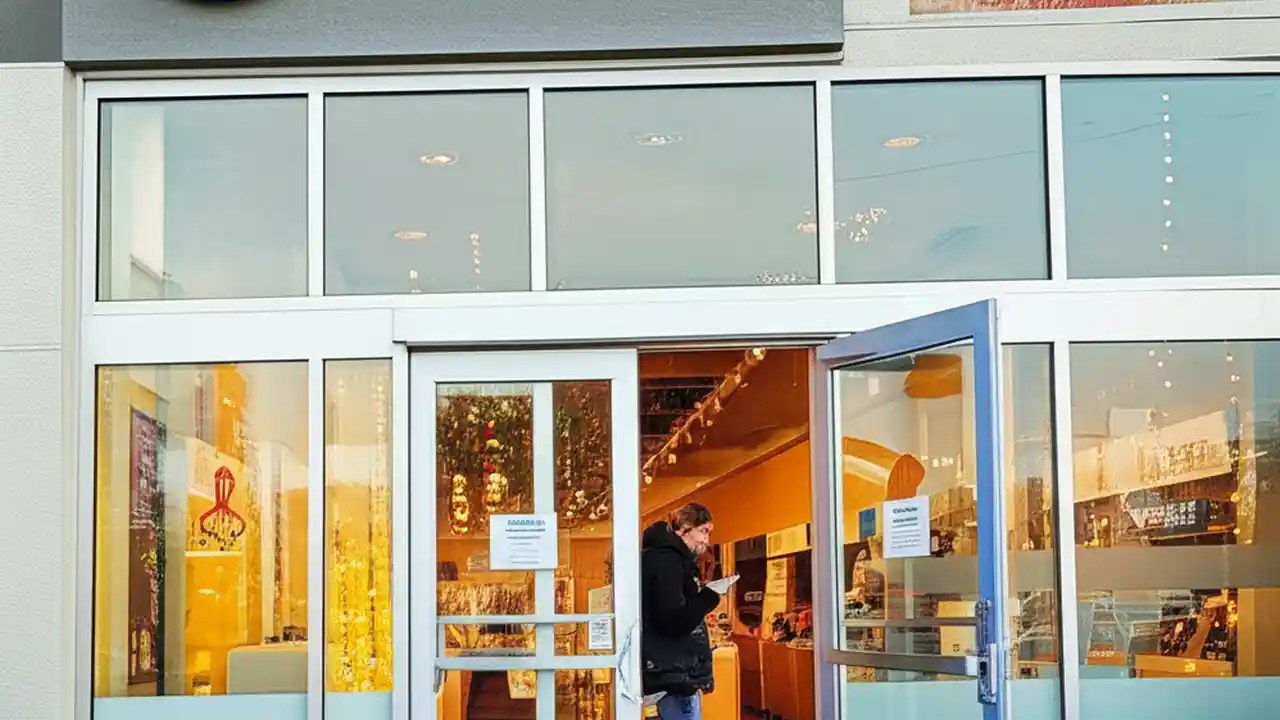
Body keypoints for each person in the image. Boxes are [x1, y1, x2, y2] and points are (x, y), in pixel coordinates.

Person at [641, 503, 737, 720]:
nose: (706, 540)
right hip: (674, 676)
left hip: (664, 673)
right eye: (703, 531)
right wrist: (710, 596)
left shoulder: (658, 558)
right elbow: (674, 620)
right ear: (684, 528)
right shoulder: (670, 562)